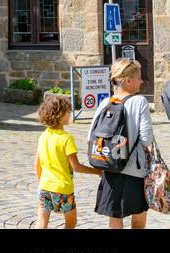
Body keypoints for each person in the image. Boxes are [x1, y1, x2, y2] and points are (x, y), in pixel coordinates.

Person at [87, 59, 158, 228]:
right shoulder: (140, 102)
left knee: (115, 217)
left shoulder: (106, 102)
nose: (142, 81)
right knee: (139, 217)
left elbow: (90, 137)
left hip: (110, 168)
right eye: (139, 77)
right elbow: (147, 139)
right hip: (134, 170)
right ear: (128, 80)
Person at [35, 94, 101, 229]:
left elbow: (37, 163)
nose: (70, 114)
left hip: (44, 187)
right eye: (67, 112)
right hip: (63, 189)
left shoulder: (43, 136)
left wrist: (42, 182)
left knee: (42, 221)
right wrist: (97, 171)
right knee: (71, 223)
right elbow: (76, 167)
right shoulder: (66, 138)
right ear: (59, 115)